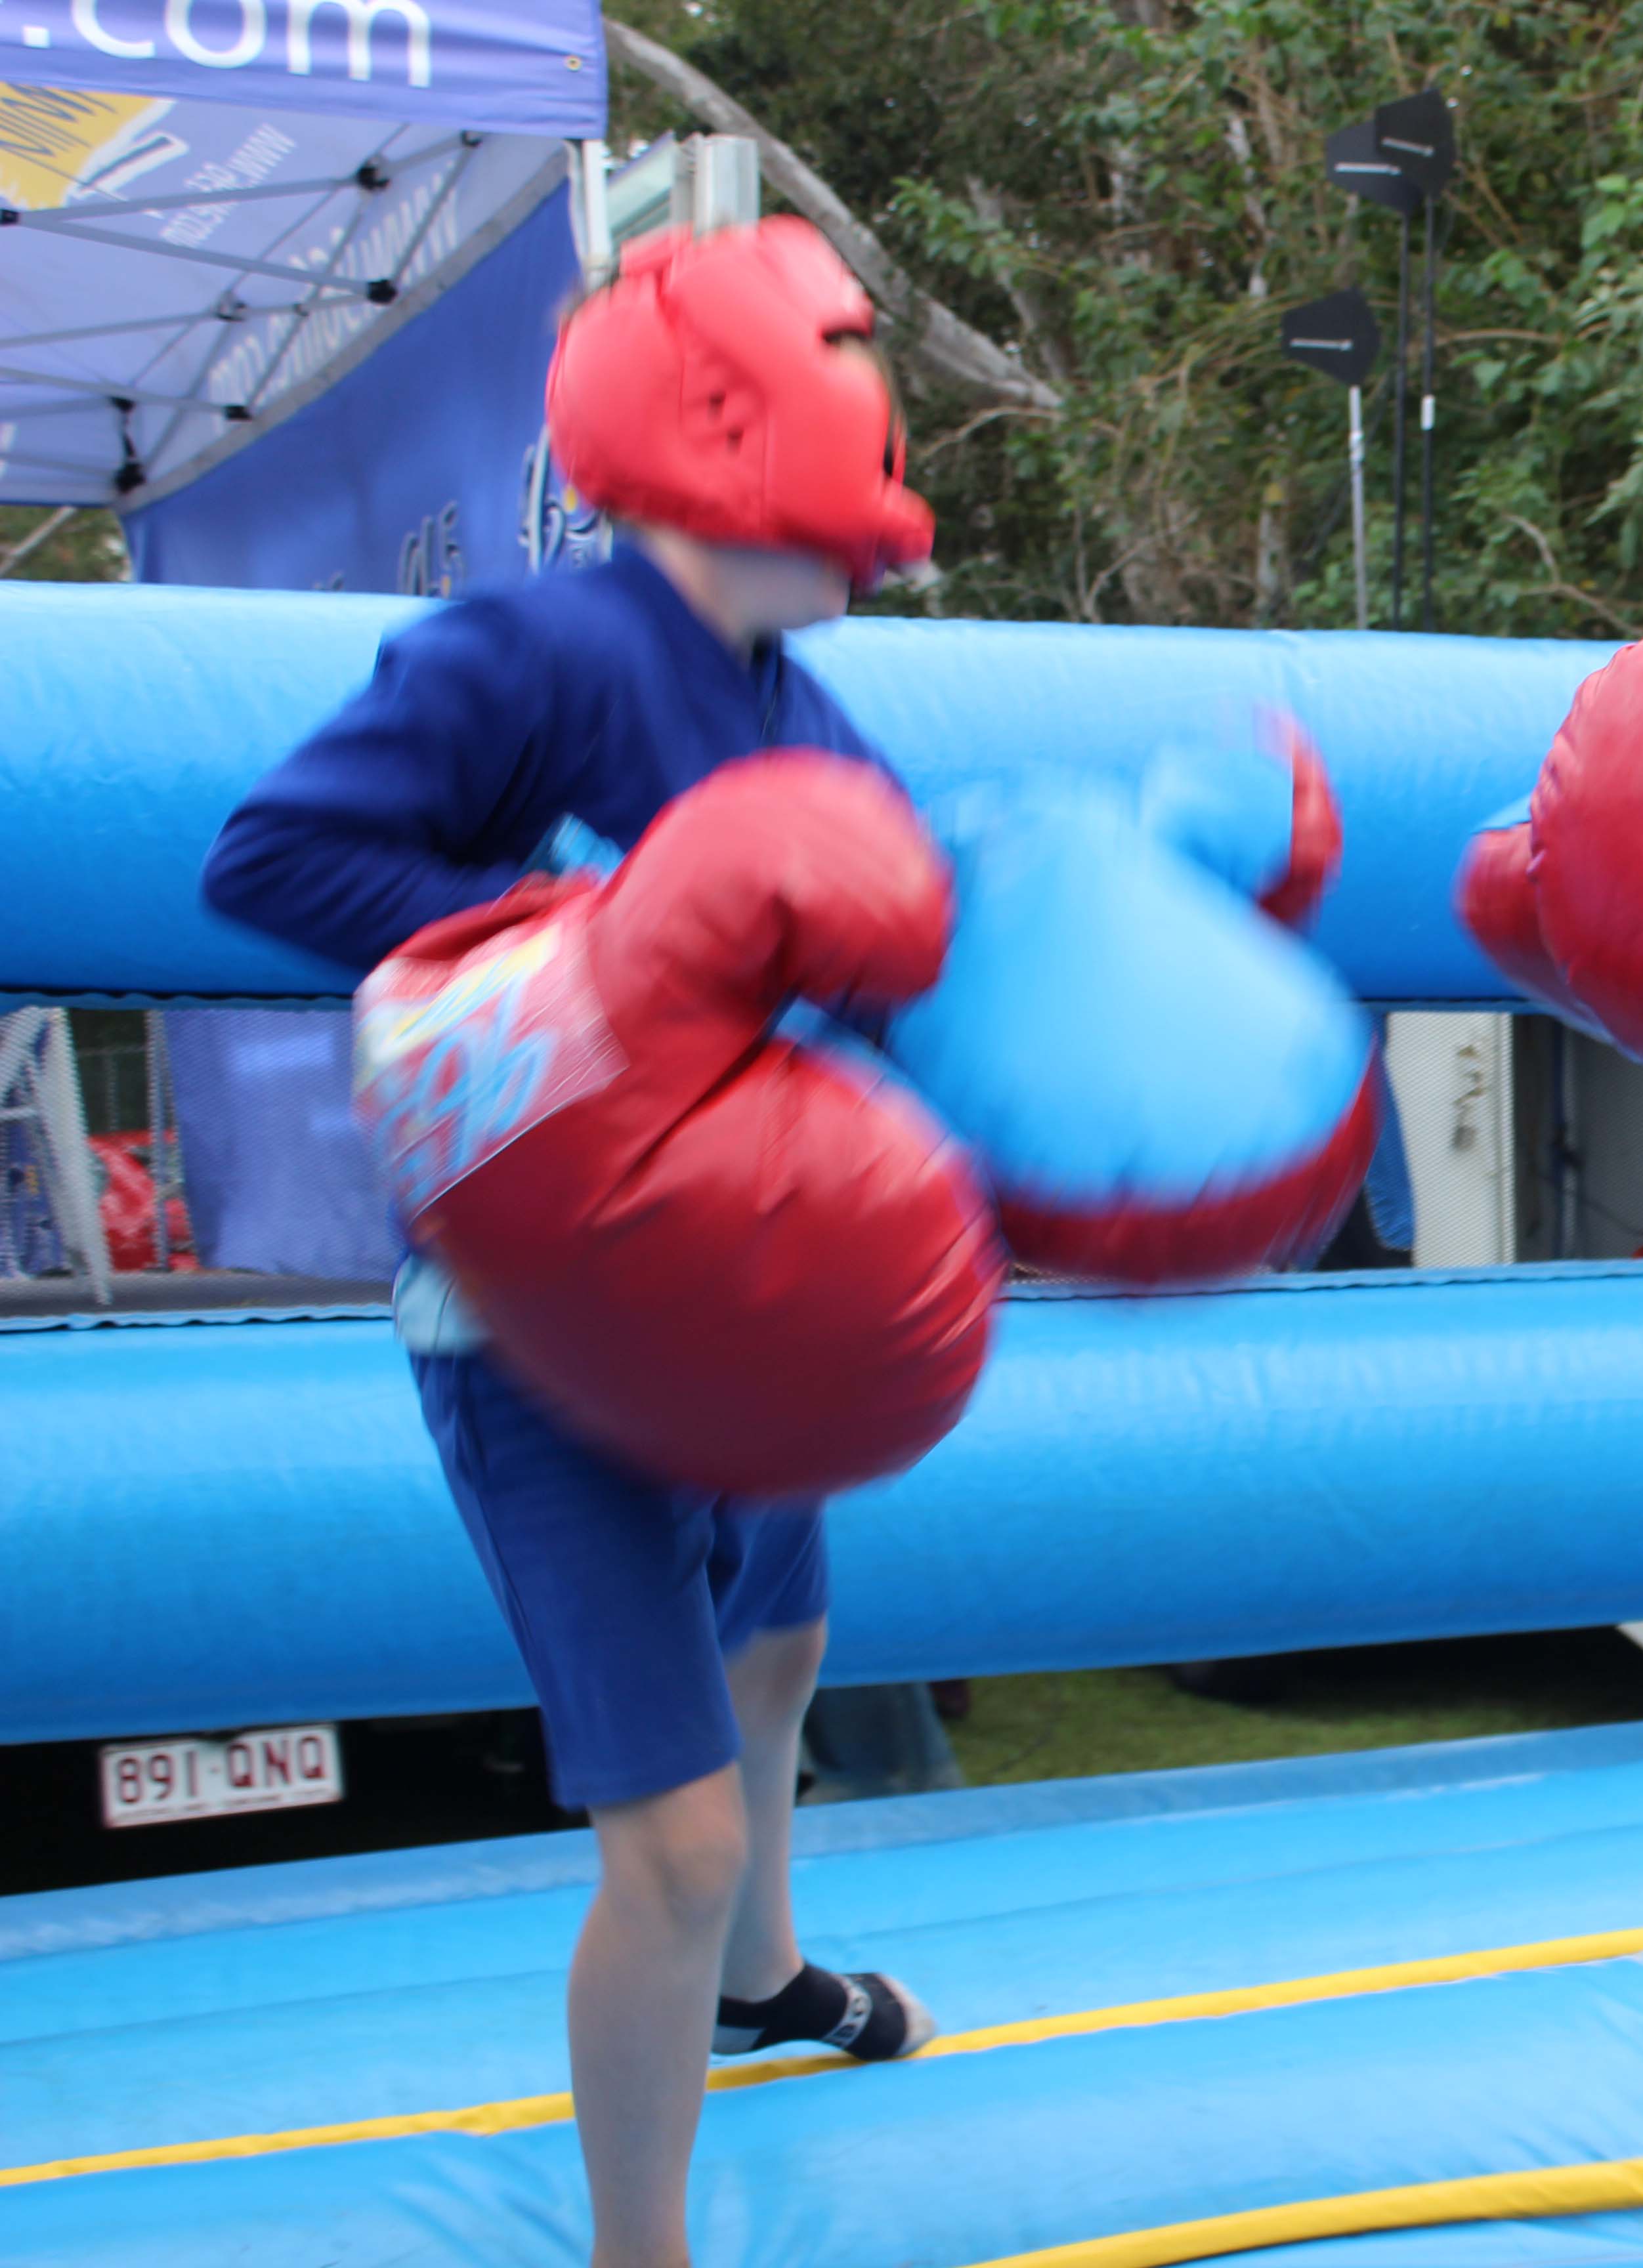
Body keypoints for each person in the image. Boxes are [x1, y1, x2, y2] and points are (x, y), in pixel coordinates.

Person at [202, 217, 944, 2268]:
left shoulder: (803, 714)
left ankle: (764, 1983)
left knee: (783, 1649)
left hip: (744, 1311)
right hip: (543, 1341)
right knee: (677, 1834)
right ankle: (643, 2244)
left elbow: (890, 968)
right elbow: (272, 856)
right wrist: (575, 955)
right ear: (734, 416)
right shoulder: (534, 656)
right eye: (850, 369)